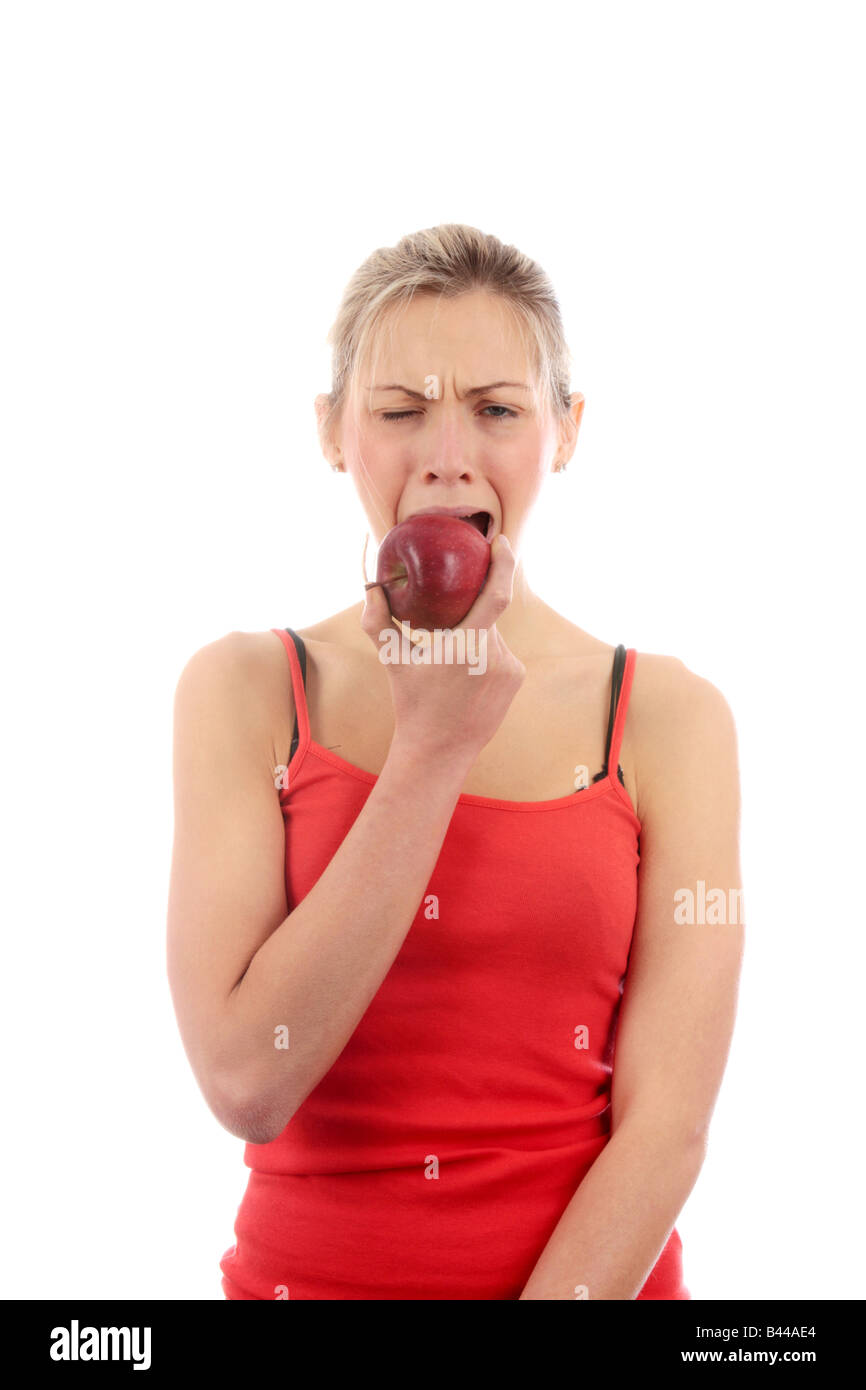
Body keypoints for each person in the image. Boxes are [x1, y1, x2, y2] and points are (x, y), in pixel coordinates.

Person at [166, 223, 744, 1300]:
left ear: (563, 432)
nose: (444, 452)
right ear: (333, 432)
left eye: (495, 408)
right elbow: (248, 1078)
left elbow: (666, 1130)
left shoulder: (668, 717)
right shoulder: (244, 692)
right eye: (396, 410)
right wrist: (432, 750)